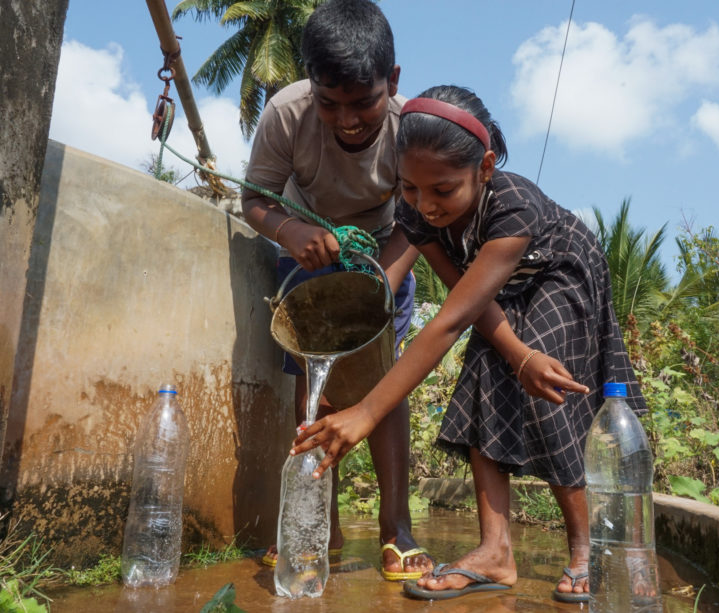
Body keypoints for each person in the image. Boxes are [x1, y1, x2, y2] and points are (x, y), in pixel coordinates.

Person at [291, 85, 648, 602]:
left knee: (549, 391)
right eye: (410, 188)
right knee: (485, 372)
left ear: (484, 168)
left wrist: (366, 412)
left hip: (557, 271)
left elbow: (449, 320)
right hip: (490, 294)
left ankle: (586, 549)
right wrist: (513, 354)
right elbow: (466, 296)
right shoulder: (415, 213)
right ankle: (495, 551)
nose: (425, 205)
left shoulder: (514, 208)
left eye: (443, 189)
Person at [240, 0, 433, 582]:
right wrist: (290, 230)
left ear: (391, 81)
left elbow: (418, 220)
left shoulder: (407, 128)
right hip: (306, 260)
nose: (347, 119)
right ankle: (316, 524)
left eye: (363, 102)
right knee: (313, 394)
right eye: (330, 103)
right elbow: (255, 199)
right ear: (310, 85)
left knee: (383, 389)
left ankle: (396, 529)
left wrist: (380, 285)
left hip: (383, 257)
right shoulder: (286, 113)